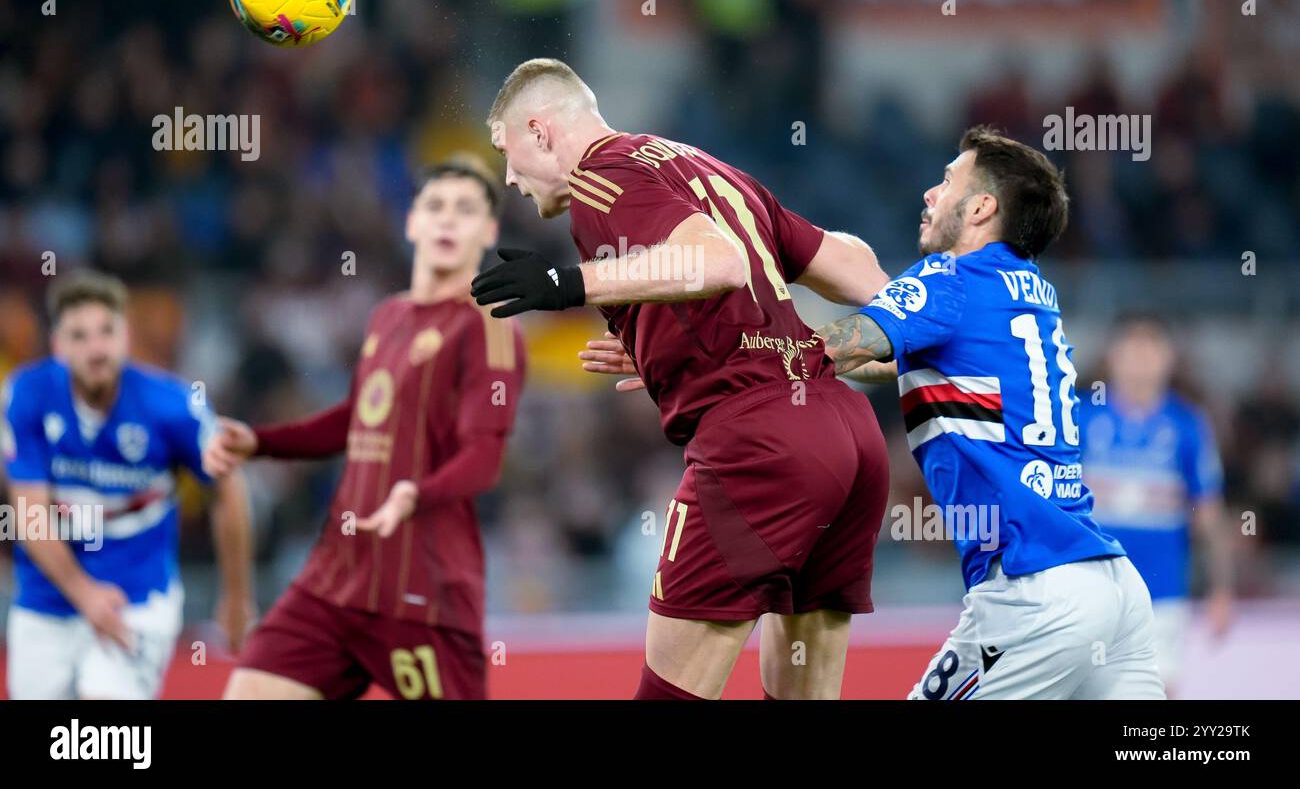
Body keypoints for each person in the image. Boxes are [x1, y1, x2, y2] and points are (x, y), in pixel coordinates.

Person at [472, 58, 891, 700]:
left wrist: (564, 284)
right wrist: (675, 343)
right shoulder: (703, 167)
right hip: (846, 437)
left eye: (506, 151)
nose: (509, 176)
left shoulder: (600, 179)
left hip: (759, 445)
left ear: (540, 130)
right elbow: (858, 268)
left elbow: (717, 262)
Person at [816, 126, 1165, 699]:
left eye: (948, 180)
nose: (931, 192)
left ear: (981, 207)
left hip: (1035, 591)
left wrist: (699, 353)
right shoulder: (1029, 292)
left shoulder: (949, 278)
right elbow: (888, 365)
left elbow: (834, 347)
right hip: (1115, 588)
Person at [205, 158, 525, 700]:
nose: (448, 221)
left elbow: (484, 456)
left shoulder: (487, 325)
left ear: (489, 231)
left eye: (466, 210)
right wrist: (261, 442)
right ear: (412, 222)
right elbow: (357, 420)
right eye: (436, 206)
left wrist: (414, 495)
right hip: (333, 583)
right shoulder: (387, 316)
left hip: (422, 590)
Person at [1, 270, 252, 699]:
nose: (96, 348)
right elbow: (29, 515)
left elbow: (228, 489)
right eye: (79, 336)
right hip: (46, 602)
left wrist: (236, 596)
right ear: (58, 345)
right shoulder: (25, 394)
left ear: (126, 336)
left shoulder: (174, 405)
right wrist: (85, 594)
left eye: (106, 332)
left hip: (138, 601)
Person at [1079, 313, 1233, 694]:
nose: (1141, 360)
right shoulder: (1079, 417)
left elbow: (1210, 512)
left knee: (1157, 693)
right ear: (1112, 357)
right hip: (1088, 591)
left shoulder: (1187, 424)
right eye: (1132, 349)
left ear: (1168, 358)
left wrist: (1221, 589)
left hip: (1162, 594)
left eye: (1151, 350)